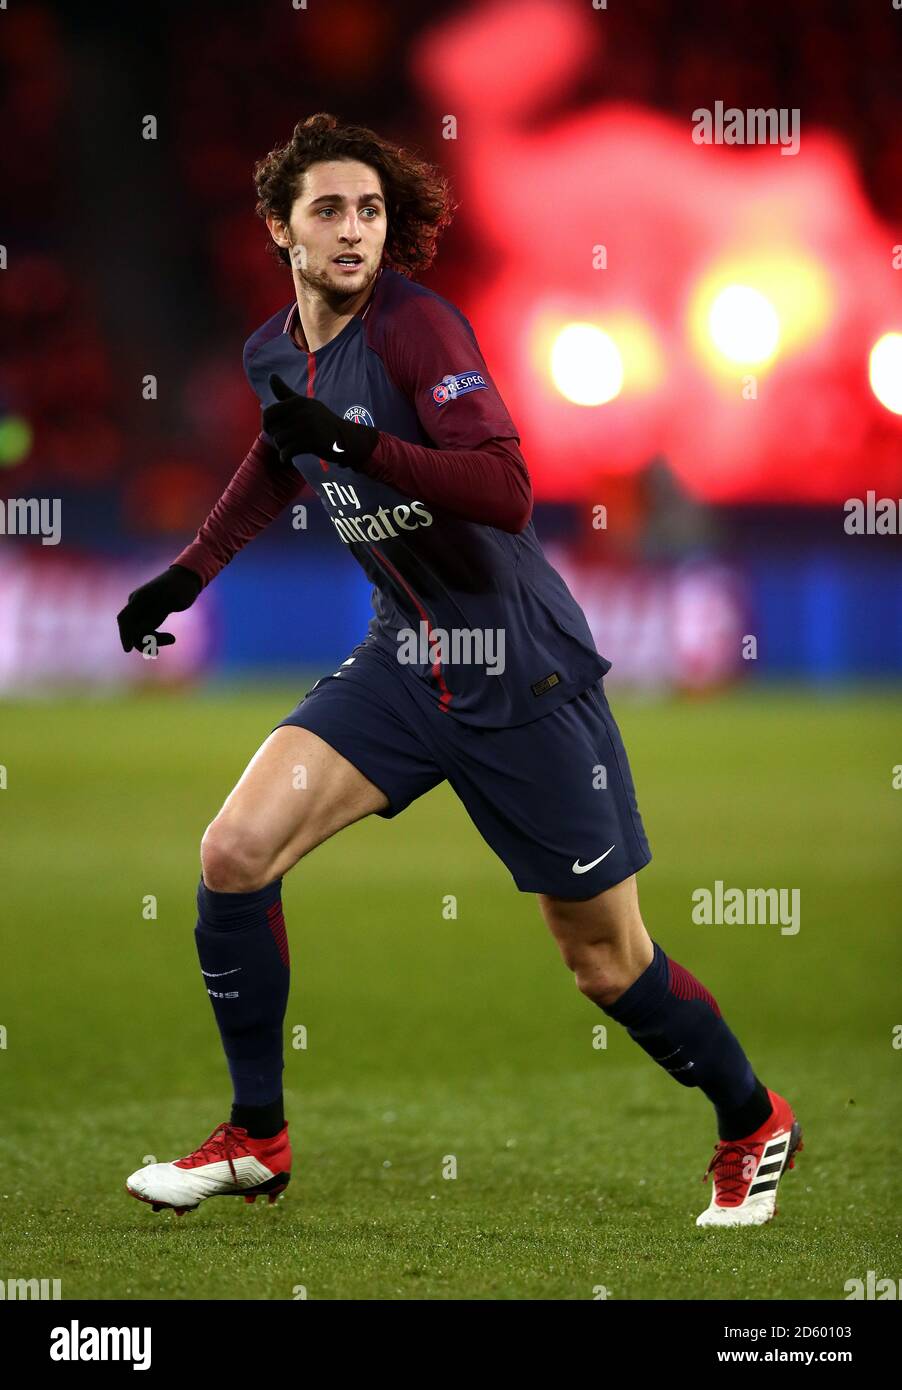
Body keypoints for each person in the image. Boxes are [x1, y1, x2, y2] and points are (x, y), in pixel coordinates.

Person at [117, 113, 800, 1227]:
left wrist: (358, 447)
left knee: (602, 960)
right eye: (328, 210)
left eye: (370, 210)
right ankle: (257, 1135)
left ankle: (748, 1116)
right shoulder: (272, 352)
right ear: (280, 230)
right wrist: (186, 576)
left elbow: (503, 488)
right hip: (405, 659)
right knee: (235, 852)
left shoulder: (418, 330)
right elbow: (274, 455)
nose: (352, 230)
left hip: (518, 672)